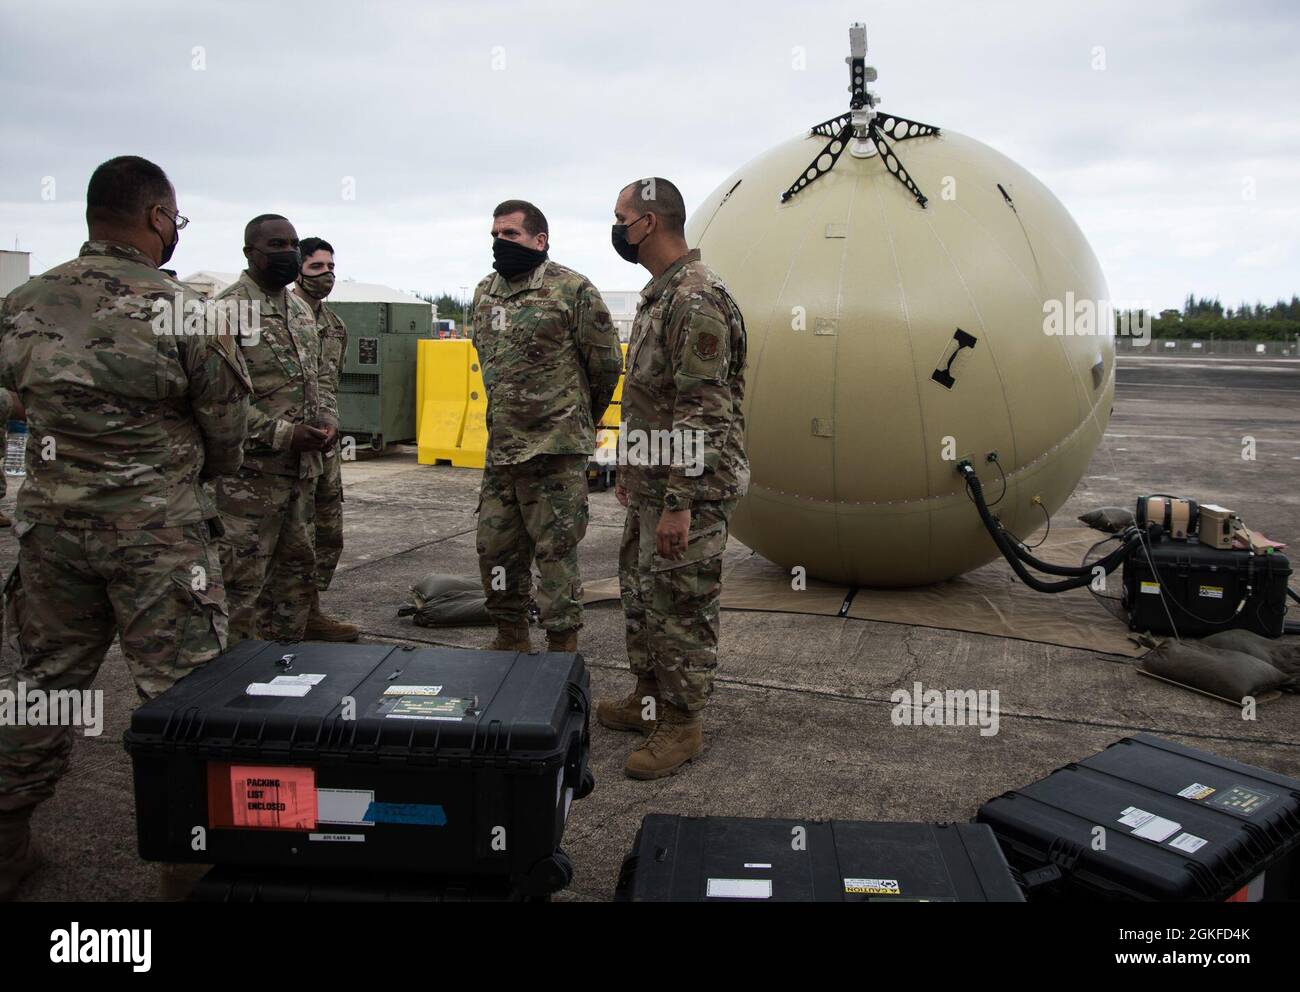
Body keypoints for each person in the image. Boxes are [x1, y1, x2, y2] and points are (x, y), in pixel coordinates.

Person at [0, 156, 251, 898]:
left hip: (52, 537)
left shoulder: (23, 301)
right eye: (176, 221)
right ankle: (189, 867)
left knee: (44, 687)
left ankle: (7, 843)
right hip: (160, 545)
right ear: (157, 217)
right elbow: (228, 435)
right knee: (182, 696)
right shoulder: (188, 312)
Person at [596, 177, 749, 780]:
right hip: (655, 483)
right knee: (642, 595)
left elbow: (700, 410)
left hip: (691, 491)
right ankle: (649, 698)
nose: (616, 228)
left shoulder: (695, 299)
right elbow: (652, 400)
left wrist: (680, 503)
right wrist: (633, 471)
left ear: (649, 223)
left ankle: (682, 723)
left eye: (621, 217)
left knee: (681, 604)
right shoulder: (661, 295)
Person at [472, 199, 622, 653]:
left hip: (554, 452)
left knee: (554, 554)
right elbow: (487, 358)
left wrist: (576, 419)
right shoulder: (484, 292)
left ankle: (562, 647)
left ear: (539, 240)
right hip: (503, 449)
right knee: (495, 549)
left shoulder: (572, 290)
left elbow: (607, 363)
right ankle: (510, 636)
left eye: (511, 235)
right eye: (496, 235)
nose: (501, 243)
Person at [214, 214, 334, 643]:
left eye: (293, 245)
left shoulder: (300, 311)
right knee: (243, 587)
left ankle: (285, 669)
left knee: (296, 578)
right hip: (249, 484)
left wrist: (328, 420)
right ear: (250, 252)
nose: (288, 253)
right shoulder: (225, 312)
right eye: (277, 245)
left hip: (300, 476)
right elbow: (218, 403)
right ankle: (234, 682)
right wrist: (284, 434)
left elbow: (319, 379)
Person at [287, 237, 357, 641]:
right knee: (289, 538)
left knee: (327, 533)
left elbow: (330, 382)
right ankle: (281, 621)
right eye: (317, 268)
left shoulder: (334, 326)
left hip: (323, 446)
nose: (327, 275)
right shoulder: (279, 316)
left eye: (331, 267)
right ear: (298, 270)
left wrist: (330, 421)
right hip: (285, 444)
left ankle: (310, 611)